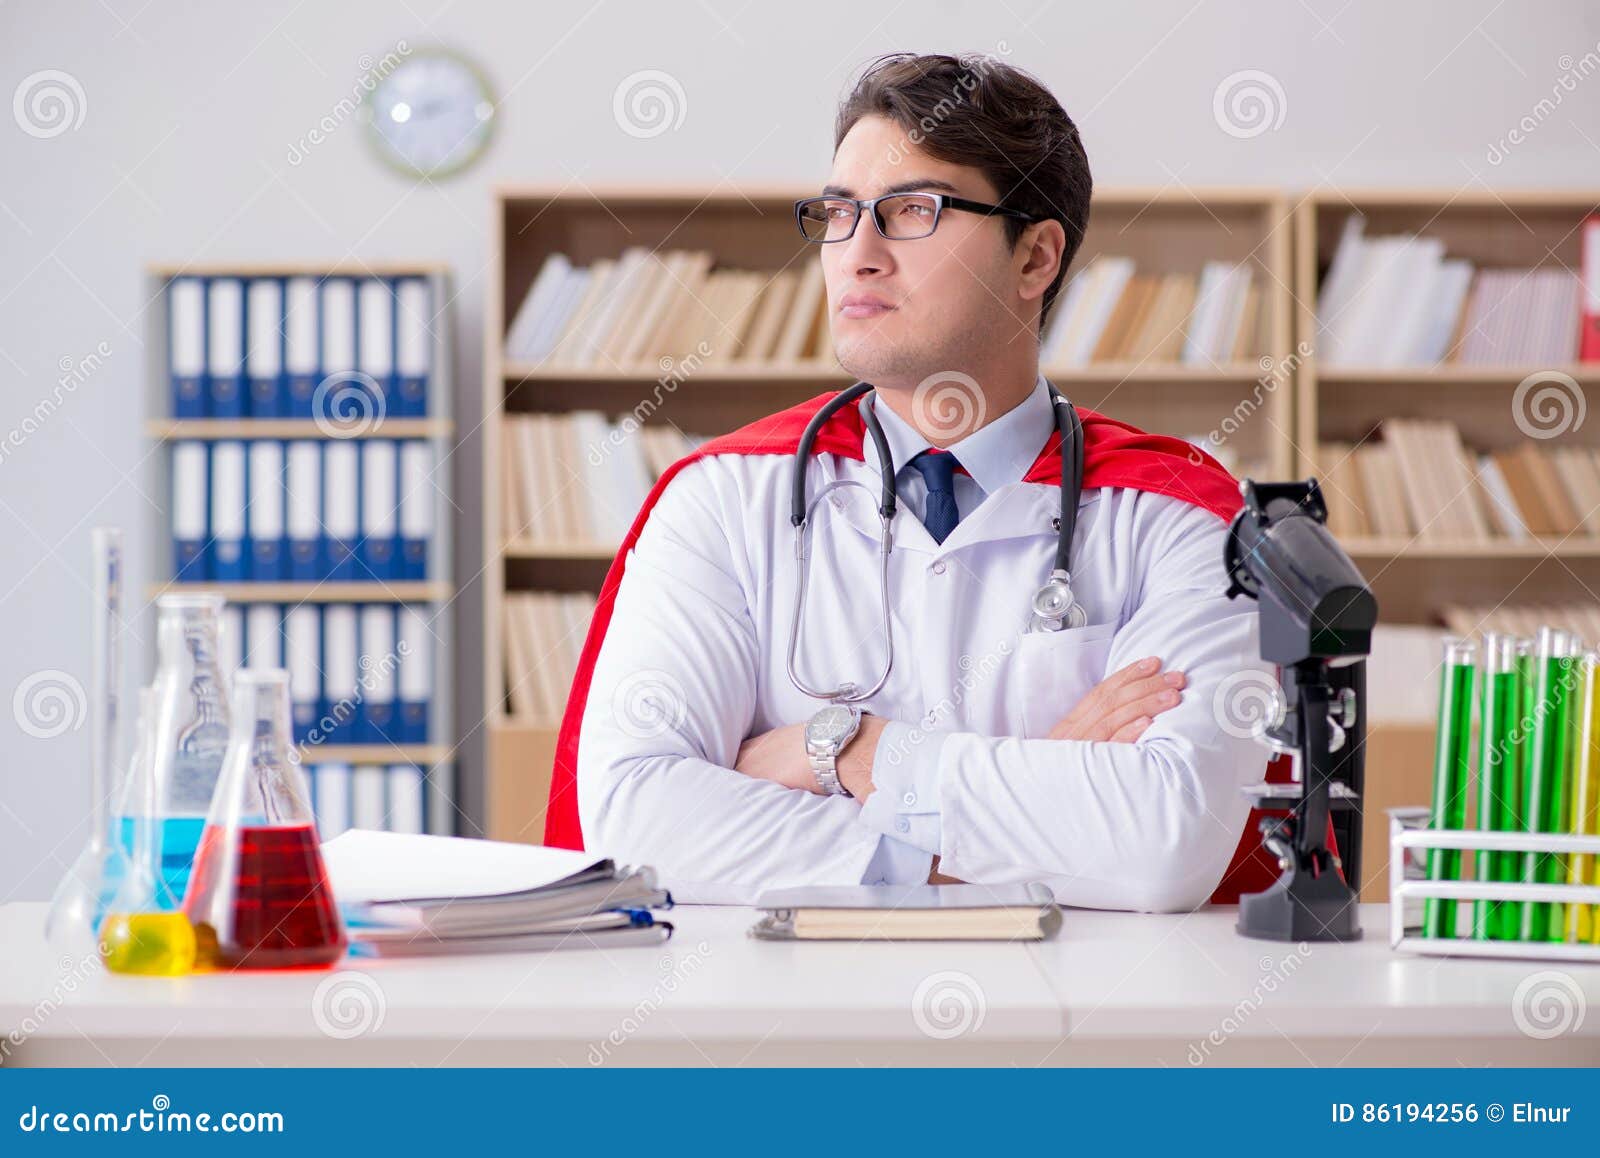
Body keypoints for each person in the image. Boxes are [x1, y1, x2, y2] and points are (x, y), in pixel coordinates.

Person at [545, 52, 1272, 908]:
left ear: (1035, 258)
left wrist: (839, 749)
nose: (857, 254)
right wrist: (1041, 792)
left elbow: (1166, 843)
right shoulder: (721, 498)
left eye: (912, 211)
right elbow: (635, 819)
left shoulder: (1182, 518)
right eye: (840, 213)